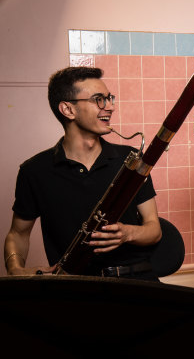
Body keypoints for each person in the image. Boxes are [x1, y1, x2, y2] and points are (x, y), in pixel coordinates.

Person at [4, 67, 162, 282]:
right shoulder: (34, 171)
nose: (111, 107)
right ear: (68, 110)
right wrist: (15, 269)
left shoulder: (132, 160)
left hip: (135, 282)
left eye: (109, 98)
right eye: (99, 99)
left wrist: (128, 233)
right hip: (75, 288)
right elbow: (18, 233)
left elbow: (154, 230)